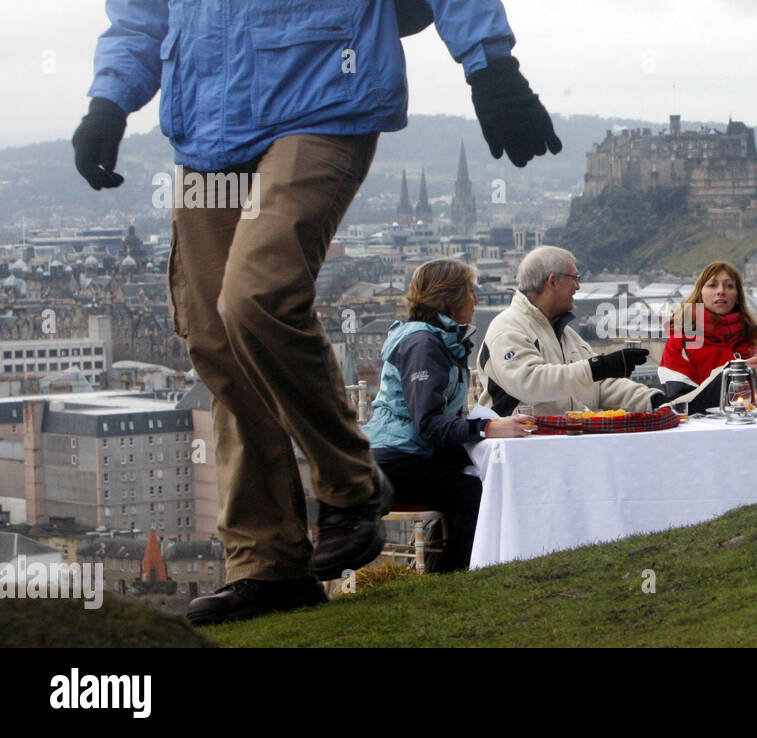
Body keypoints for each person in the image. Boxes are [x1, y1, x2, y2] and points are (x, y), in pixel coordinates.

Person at [74, 0, 562, 625]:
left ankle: (351, 485)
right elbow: (141, 13)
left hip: (323, 92)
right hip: (206, 120)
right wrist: (109, 101)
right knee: (215, 338)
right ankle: (268, 567)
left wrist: (491, 66)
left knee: (257, 296)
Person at [361, 259, 531, 572]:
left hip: (407, 452)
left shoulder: (436, 339)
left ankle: (476, 563)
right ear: (450, 298)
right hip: (395, 459)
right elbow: (428, 424)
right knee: (470, 492)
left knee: (487, 473)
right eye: (470, 291)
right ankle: (453, 576)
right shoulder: (423, 344)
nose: (476, 299)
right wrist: (489, 427)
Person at [478, 247, 665, 416]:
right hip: (521, 448)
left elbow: (600, 385)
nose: (578, 287)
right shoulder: (507, 328)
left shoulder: (567, 335)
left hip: (567, 444)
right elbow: (531, 383)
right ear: (553, 282)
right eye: (574, 278)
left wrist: (656, 401)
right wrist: (599, 367)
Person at [658, 261, 757, 411]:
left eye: (729, 286)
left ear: (737, 296)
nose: (721, 291)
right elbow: (679, 405)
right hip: (705, 431)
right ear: (700, 293)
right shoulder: (681, 341)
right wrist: (731, 373)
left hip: (755, 428)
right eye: (712, 285)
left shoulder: (753, 338)